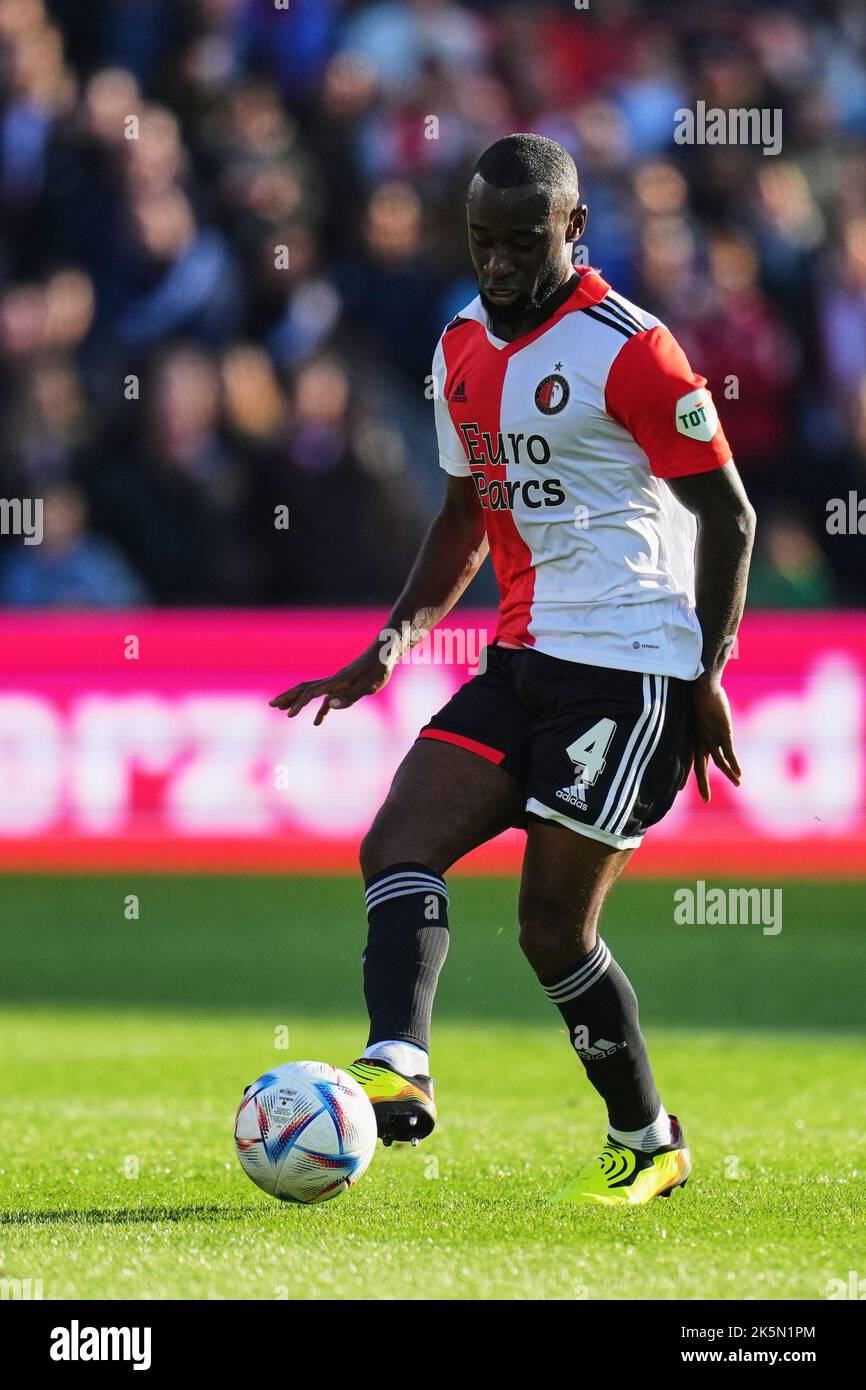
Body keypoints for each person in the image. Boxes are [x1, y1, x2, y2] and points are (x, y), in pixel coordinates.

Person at [270, 133, 756, 1206]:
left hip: (629, 674)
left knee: (550, 930)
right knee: (395, 843)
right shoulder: (456, 345)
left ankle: (646, 1138)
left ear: (571, 229)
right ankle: (397, 1065)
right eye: (479, 239)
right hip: (523, 656)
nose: (495, 261)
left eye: (519, 239)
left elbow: (728, 513)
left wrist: (706, 670)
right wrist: (391, 643)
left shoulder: (631, 349)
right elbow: (461, 516)